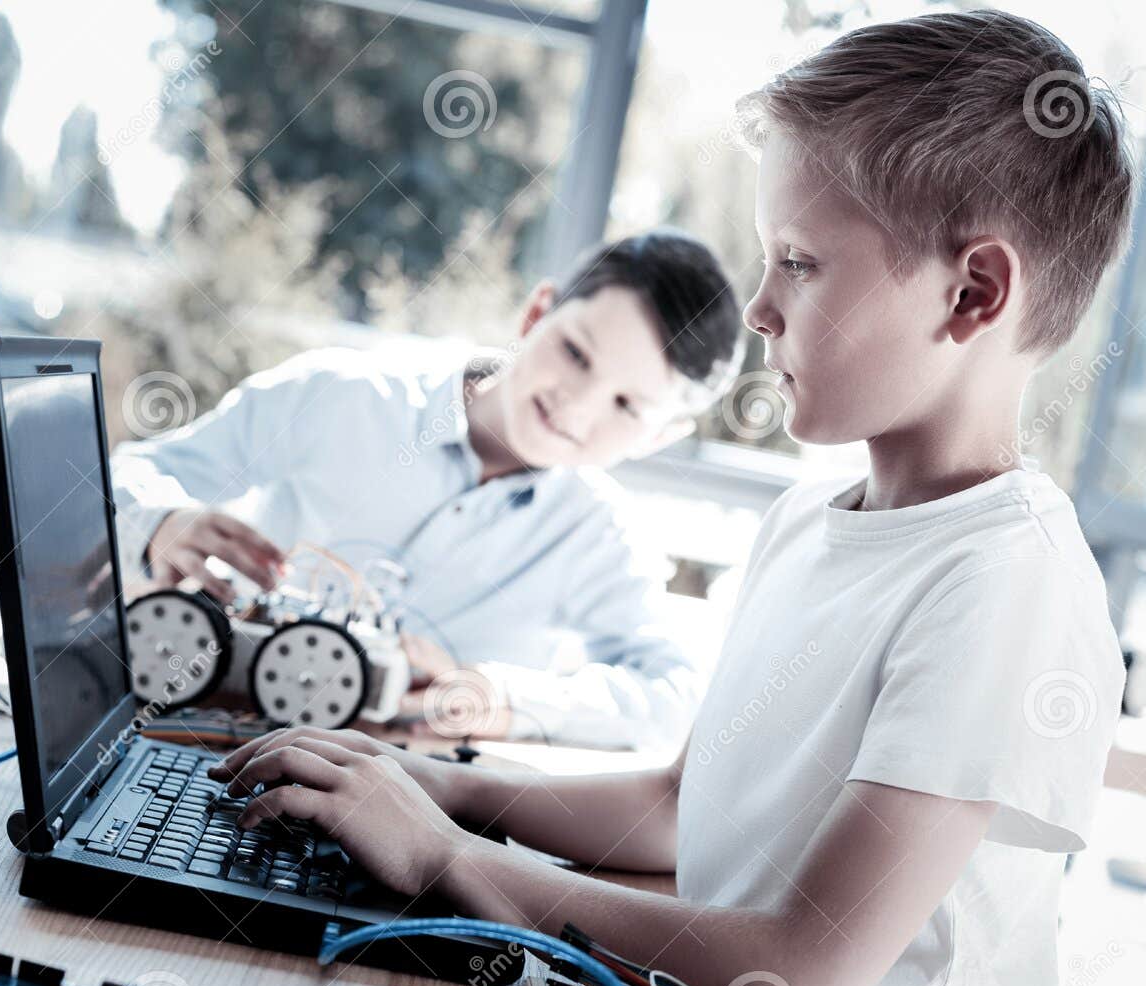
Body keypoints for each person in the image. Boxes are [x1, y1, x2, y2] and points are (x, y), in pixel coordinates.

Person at [210, 9, 1135, 986]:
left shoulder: (1005, 584)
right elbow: (675, 805)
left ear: (972, 292)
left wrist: (443, 857)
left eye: (799, 261)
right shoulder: (808, 519)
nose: (755, 308)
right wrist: (436, 783)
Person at [110, 229, 743, 749]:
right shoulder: (340, 397)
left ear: (659, 437)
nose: (576, 406)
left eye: (628, 404)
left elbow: (677, 697)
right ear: (535, 313)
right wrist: (162, 521)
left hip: (393, 813)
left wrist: (505, 698)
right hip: (198, 736)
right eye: (576, 354)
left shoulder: (598, 538)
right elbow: (113, 475)